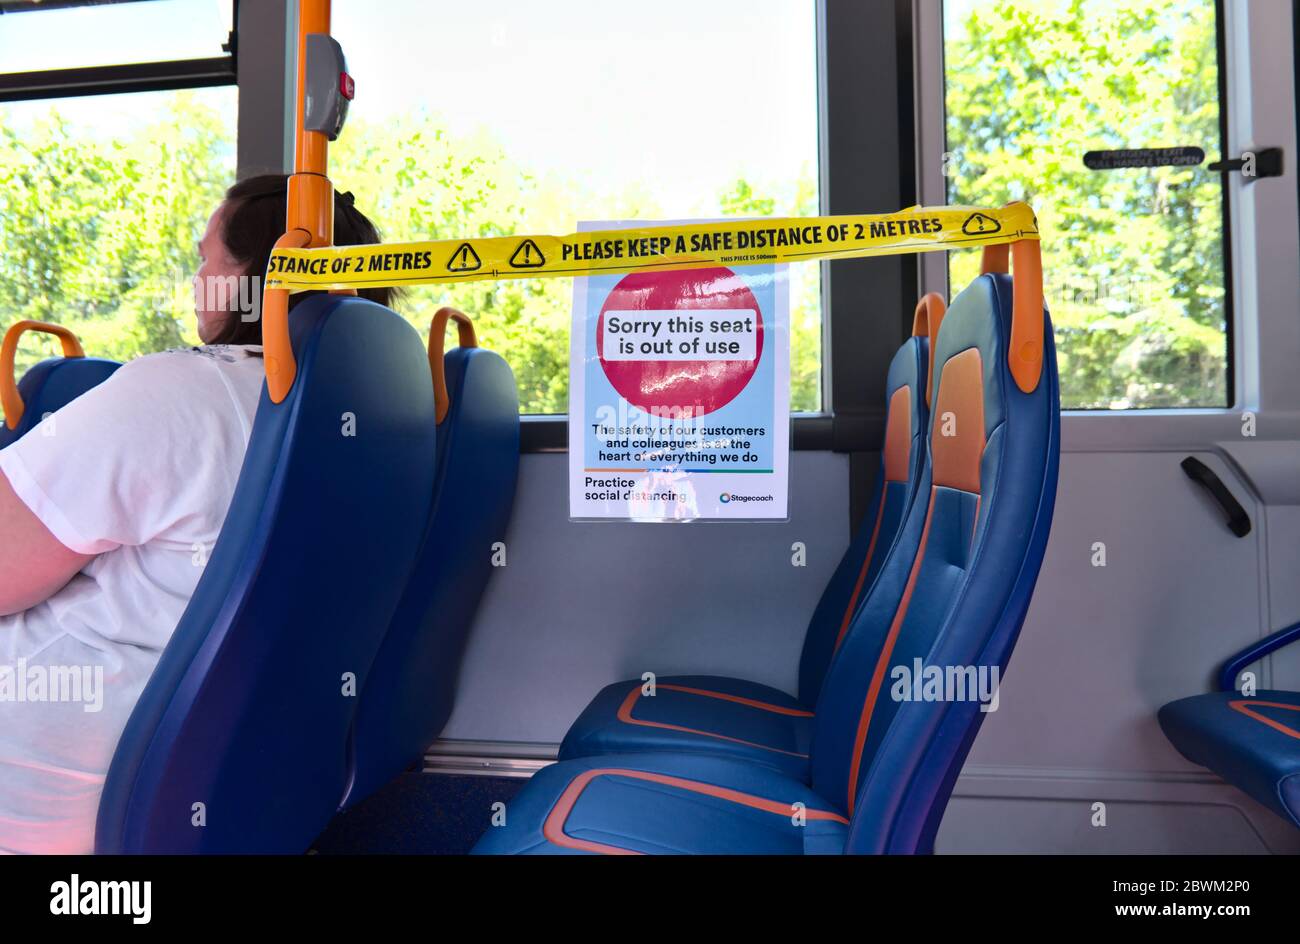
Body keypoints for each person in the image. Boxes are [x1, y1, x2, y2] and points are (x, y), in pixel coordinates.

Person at [0, 174, 393, 854]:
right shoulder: (371, 420)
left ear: (253, 277)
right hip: (224, 766)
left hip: (59, 769)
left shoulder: (185, 389)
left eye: (208, 256)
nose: (195, 277)